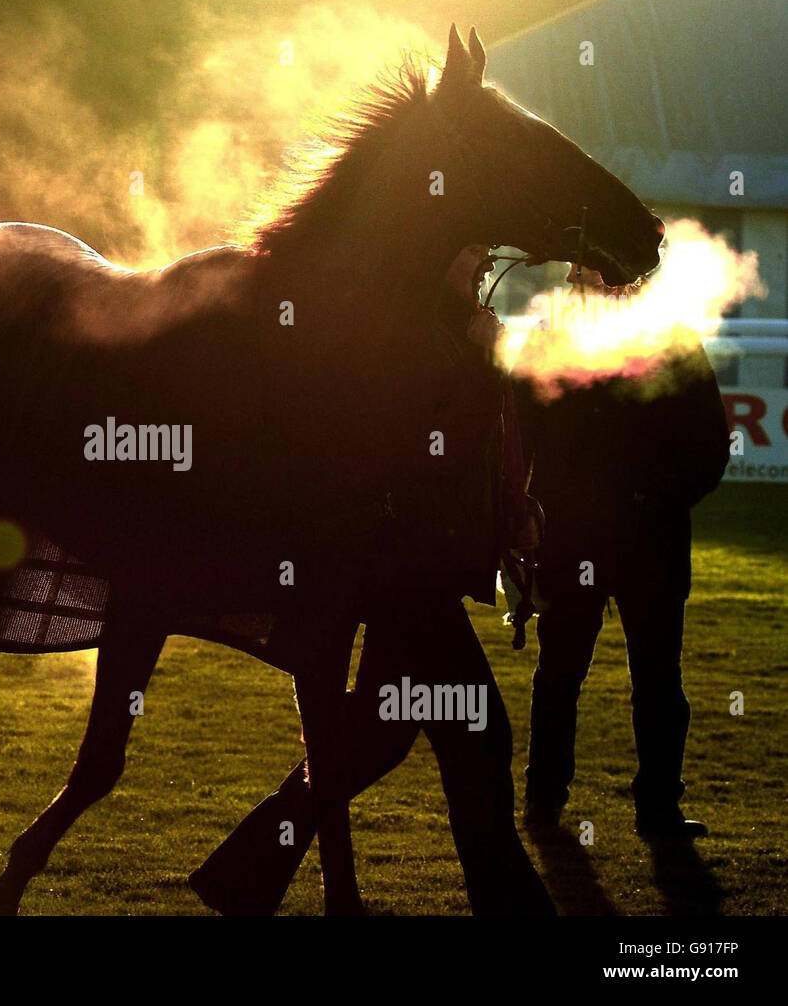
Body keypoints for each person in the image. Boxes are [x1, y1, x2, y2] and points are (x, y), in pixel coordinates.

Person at [187, 245, 554, 915]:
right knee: (477, 737)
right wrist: (486, 358)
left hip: (413, 573)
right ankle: (512, 906)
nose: (480, 259)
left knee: (379, 740)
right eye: (466, 248)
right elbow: (431, 444)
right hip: (408, 574)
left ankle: (241, 875)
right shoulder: (421, 334)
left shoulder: (442, 328)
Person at [516, 264, 730, 839]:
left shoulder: (564, 335)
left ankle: (554, 800)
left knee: (624, 679)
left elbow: (708, 447)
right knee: (578, 676)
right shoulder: (560, 336)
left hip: (605, 539)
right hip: (624, 540)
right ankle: (631, 805)